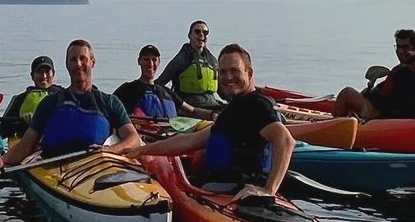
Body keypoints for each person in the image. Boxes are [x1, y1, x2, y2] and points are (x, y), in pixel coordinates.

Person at [141, 43, 292, 199]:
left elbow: (285, 140)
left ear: (249, 73)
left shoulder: (256, 105)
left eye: (234, 70)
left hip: (236, 191)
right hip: (226, 187)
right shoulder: (235, 109)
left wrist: (269, 190)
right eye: (223, 72)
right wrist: (142, 150)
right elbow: (189, 141)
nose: (228, 77)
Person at [4, 39, 141, 167]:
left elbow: (133, 139)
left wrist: (111, 150)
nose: (78, 64)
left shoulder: (109, 102)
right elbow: (25, 147)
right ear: (67, 65)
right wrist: (1, 159)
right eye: (73, 60)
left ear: (93, 62)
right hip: (54, 170)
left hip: (96, 168)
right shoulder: (50, 104)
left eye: (83, 59)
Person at [330, 28, 415, 120]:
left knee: (347, 93)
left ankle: (336, 127)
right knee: (362, 95)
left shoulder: (405, 72)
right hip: (401, 113)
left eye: (405, 47)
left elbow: (386, 97)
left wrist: (369, 93)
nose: (400, 51)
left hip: (383, 115)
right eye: (398, 47)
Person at [158, 19, 222, 111]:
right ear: (190, 35)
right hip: (190, 108)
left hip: (213, 104)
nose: (201, 35)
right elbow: (160, 83)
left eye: (205, 32)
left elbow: (222, 89)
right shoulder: (181, 59)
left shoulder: (213, 61)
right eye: (197, 32)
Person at [0, 54, 58, 138]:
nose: (44, 76)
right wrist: (22, 122)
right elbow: (3, 131)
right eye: (39, 72)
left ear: (53, 74)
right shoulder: (21, 99)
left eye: (47, 72)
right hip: (28, 141)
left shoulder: (64, 95)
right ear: (32, 76)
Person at [115, 44, 175, 122]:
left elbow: (189, 109)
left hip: (169, 128)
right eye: (146, 59)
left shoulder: (166, 92)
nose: (150, 64)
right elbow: (108, 107)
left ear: (159, 62)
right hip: (141, 129)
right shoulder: (127, 89)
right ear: (139, 61)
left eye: (154, 59)